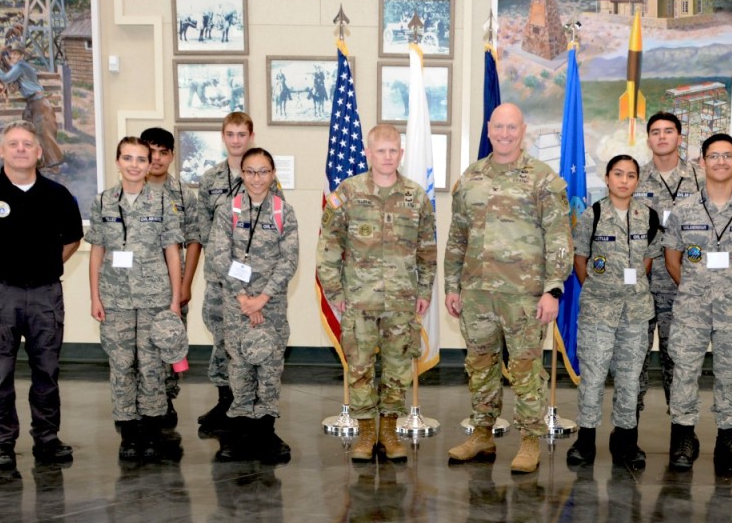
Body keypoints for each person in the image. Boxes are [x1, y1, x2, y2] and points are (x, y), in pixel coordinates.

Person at [444, 103, 572, 474]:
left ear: (523, 130)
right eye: (498, 127)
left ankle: (530, 441)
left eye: (511, 128)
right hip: (477, 292)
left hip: (525, 296)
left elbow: (559, 238)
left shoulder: (543, 179)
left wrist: (553, 290)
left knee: (525, 369)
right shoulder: (470, 178)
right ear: (488, 129)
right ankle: (482, 434)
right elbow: (457, 238)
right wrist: (453, 285)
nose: (504, 134)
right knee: (480, 365)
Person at [0, 120, 82, 469]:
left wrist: (42, 267)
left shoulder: (58, 196)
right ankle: (2, 442)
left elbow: (72, 240)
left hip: (45, 295)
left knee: (47, 370)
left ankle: (47, 438)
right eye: (14, 143)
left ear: (39, 152)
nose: (21, 149)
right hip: (0, 296)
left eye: (28, 143)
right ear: (2, 151)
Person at [316, 124, 437, 462]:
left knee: (398, 367)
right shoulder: (348, 193)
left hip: (401, 301)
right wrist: (334, 290)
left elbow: (427, 249)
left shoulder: (416, 197)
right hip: (359, 300)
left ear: (400, 153)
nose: (387, 157)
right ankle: (367, 431)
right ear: (368, 154)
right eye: (380, 151)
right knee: (360, 368)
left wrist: (424, 289)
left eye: (393, 150)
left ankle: (390, 431)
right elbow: (328, 245)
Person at [662, 133, 732, 472]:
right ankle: (684, 437)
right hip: (690, 309)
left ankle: (727, 439)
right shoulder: (682, 210)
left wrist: (729, 288)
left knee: (731, 375)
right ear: (702, 162)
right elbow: (672, 259)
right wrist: (695, 287)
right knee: (684, 372)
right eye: (714, 156)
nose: (720, 161)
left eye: (727, 156)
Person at [564, 155, 662, 472]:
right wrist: (598, 289)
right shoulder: (592, 214)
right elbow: (581, 259)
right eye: (617, 174)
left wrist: (628, 286)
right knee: (592, 378)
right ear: (607, 178)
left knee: (630, 379)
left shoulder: (647, 216)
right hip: (598, 312)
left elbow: (648, 258)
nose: (623, 180)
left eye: (630, 175)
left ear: (637, 181)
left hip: (635, 311)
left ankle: (625, 441)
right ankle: (586, 440)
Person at [87, 138, 183, 460]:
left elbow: (173, 251)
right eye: (127, 158)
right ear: (117, 162)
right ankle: (129, 433)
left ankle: (153, 431)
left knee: (153, 367)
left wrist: (175, 299)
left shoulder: (162, 202)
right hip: (115, 299)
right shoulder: (102, 202)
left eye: (141, 159)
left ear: (149, 163)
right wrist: (94, 297)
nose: (134, 164)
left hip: (155, 299)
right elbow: (97, 250)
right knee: (121, 365)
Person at [205, 147, 298, 463]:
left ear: (273, 174)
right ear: (242, 174)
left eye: (263, 171)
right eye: (250, 171)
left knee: (270, 368)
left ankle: (266, 433)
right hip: (237, 305)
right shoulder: (226, 211)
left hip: (271, 306)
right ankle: (241, 434)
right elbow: (219, 256)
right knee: (240, 366)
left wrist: (263, 298)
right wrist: (244, 297)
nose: (257, 178)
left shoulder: (283, 212)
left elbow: (289, 260)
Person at [184, 112, 255, 434]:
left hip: (252, 277)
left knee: (249, 339)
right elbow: (202, 230)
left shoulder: (261, 175)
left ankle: (249, 404)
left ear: (250, 137)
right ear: (223, 137)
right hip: (218, 276)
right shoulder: (210, 179)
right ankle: (224, 401)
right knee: (220, 337)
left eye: (242, 134)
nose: (236, 140)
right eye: (231, 134)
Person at [635, 111, 702, 414]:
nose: (662, 136)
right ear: (648, 139)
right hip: (642, 284)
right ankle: (627, 428)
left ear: (679, 137)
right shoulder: (634, 177)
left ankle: (681, 429)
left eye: (669, 131)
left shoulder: (700, 177)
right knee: (634, 357)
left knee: (678, 359)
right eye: (656, 132)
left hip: (683, 284)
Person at [141, 126, 191, 426]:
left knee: (171, 342)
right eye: (151, 151)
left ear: (172, 155)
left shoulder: (183, 194)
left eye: (163, 152)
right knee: (139, 348)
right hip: (134, 287)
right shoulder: (128, 191)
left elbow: (194, 239)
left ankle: (167, 400)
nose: (156, 158)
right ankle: (141, 404)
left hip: (172, 285)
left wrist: (184, 284)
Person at [0, 45, 64, 170]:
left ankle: (54, 164)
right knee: (30, 131)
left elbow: (5, 77)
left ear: (22, 56)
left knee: (43, 132)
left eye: (18, 54)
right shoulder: (21, 66)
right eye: (13, 54)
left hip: (38, 102)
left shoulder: (20, 66)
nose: (15, 56)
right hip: (34, 102)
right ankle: (39, 160)